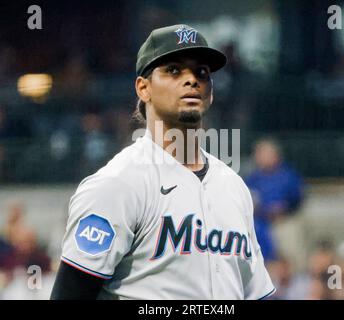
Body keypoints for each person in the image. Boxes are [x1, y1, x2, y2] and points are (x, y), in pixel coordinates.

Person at [51, 24, 275, 300]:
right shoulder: (118, 184)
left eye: (201, 72)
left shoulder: (235, 187)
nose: (191, 80)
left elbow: (255, 293)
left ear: (211, 93)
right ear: (143, 89)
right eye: (173, 70)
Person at [244, 139, 304, 261]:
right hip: (260, 222)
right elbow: (247, 199)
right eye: (258, 154)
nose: (258, 157)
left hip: (284, 220)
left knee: (290, 250)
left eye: (263, 153)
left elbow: (298, 198)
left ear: (275, 155)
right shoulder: (253, 177)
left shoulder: (288, 175)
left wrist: (284, 207)